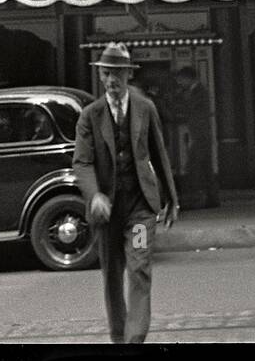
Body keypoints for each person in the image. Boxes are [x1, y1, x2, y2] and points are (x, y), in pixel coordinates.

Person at [73, 43, 179, 344]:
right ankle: (119, 337)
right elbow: (82, 162)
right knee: (111, 277)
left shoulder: (145, 108)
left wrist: (171, 198)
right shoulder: (90, 116)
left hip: (139, 209)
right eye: (106, 74)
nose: (111, 81)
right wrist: (94, 195)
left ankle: (135, 340)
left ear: (128, 75)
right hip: (107, 214)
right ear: (101, 76)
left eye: (117, 74)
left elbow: (159, 154)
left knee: (140, 268)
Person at [173, 66, 219, 209]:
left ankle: (193, 199)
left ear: (188, 78)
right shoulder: (195, 91)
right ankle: (212, 199)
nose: (180, 83)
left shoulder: (198, 92)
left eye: (181, 79)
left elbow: (191, 110)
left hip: (200, 135)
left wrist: (180, 97)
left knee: (194, 167)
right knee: (205, 168)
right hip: (200, 134)